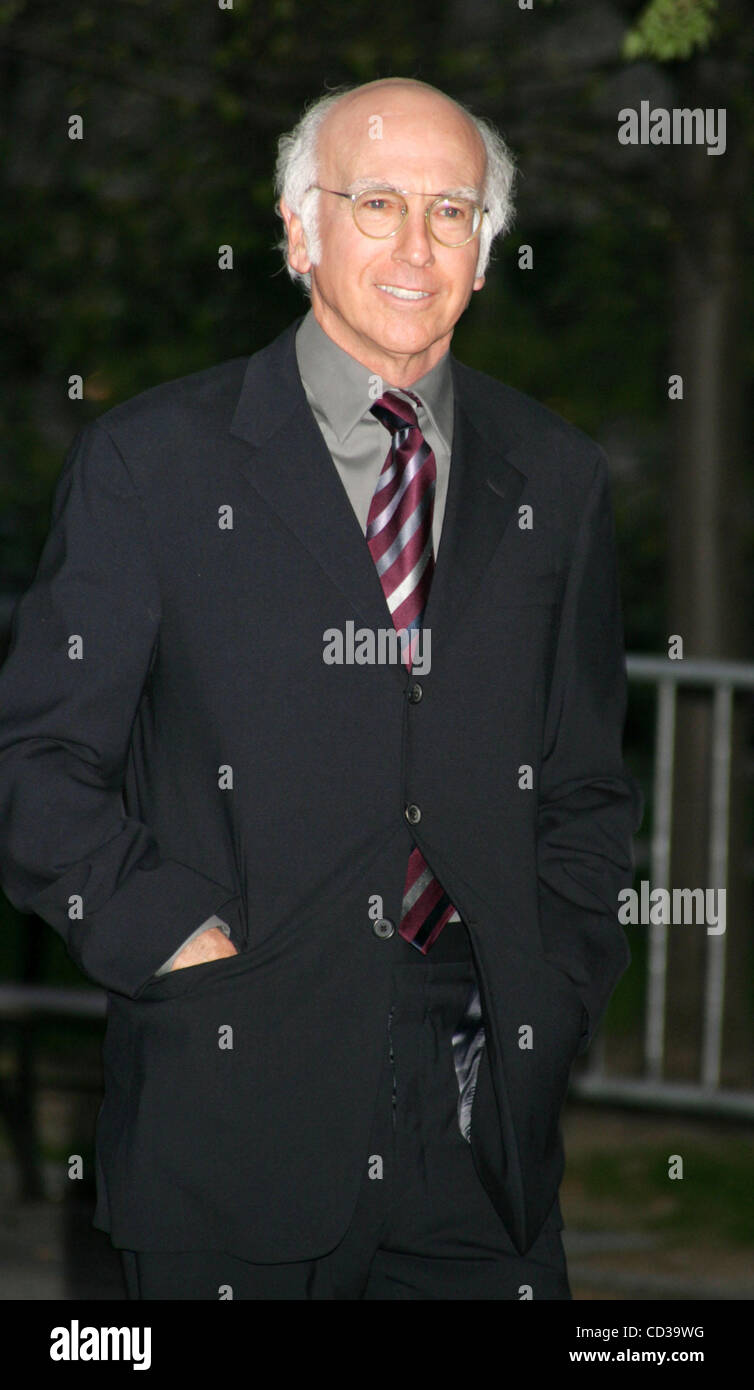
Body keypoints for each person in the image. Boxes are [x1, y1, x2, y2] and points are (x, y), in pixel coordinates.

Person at [0, 77, 642, 1300]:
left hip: (479, 1134)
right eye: (377, 202)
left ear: (486, 252)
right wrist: (172, 940)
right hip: (231, 1110)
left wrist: (554, 985)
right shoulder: (152, 464)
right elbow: (33, 764)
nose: (415, 244)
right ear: (298, 233)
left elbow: (585, 785)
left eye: (451, 211)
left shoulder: (555, 480)